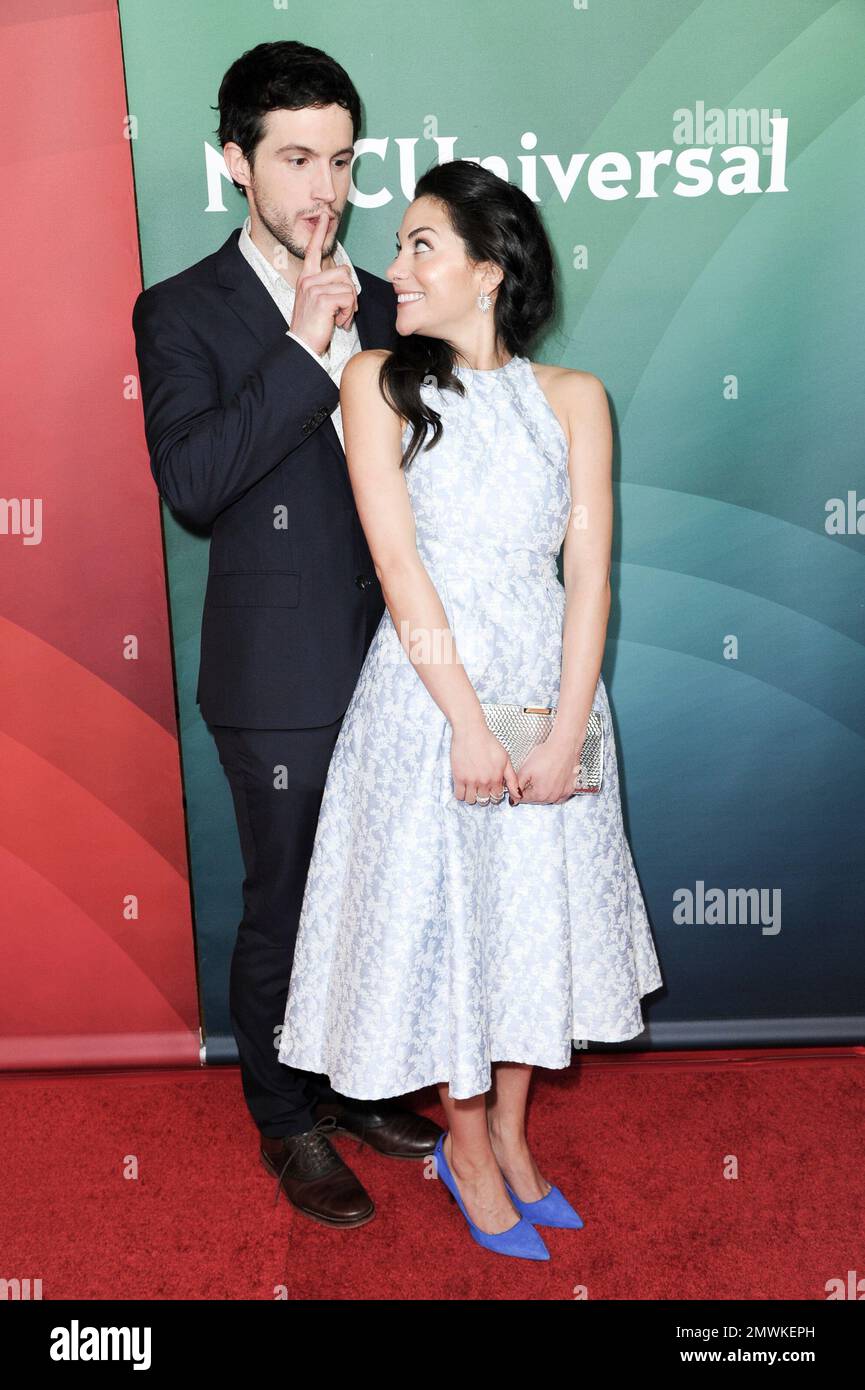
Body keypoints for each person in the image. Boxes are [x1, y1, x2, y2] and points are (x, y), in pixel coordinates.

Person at [277, 158, 664, 1260]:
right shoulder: (374, 383)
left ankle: (509, 1129)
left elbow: (589, 575)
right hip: (429, 699)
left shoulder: (575, 398)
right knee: (454, 928)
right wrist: (469, 723)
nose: (391, 266)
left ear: (489, 273)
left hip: (552, 690)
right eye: (396, 245)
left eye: (418, 247)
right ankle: (466, 1144)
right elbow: (399, 567)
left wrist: (566, 725)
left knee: (532, 922)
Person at [132, 40, 442, 1233]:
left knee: (377, 889)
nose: (324, 188)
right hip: (278, 671)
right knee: (290, 898)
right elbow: (196, 484)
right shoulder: (183, 311)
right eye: (296, 158)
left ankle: (349, 1080)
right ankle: (285, 1115)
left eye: (343, 160)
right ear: (235, 163)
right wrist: (304, 347)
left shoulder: (389, 294)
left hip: (398, 658)